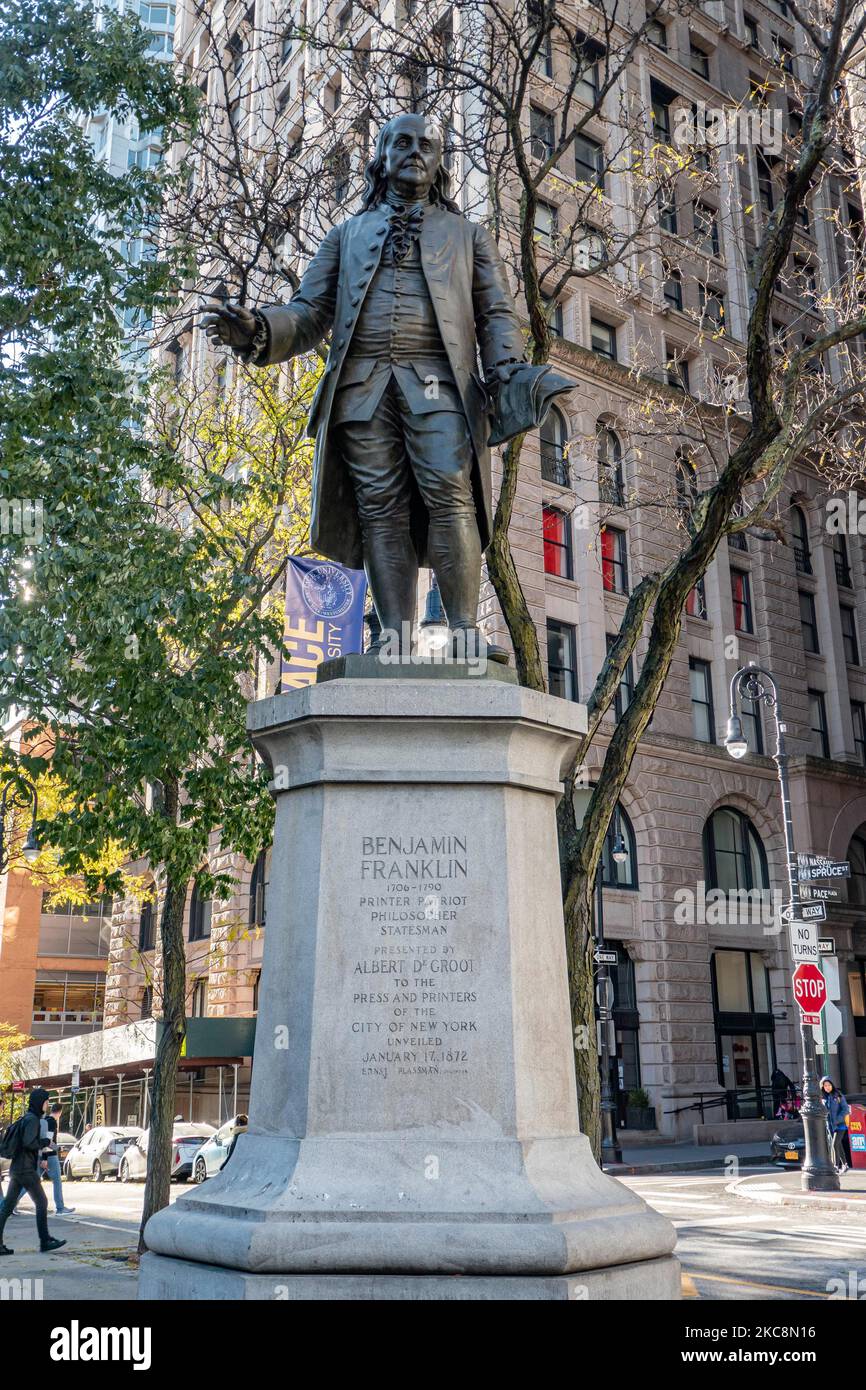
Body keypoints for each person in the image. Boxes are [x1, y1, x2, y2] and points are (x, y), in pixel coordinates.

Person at [202, 114, 568, 664]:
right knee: (380, 509)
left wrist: (509, 373)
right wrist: (257, 330)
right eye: (403, 142)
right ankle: (394, 637)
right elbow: (309, 312)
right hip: (362, 388)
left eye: (427, 144)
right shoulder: (346, 235)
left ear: (440, 160)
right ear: (382, 154)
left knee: (451, 493)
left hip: (440, 384)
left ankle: (464, 629)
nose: (415, 152)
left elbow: (495, 314)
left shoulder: (467, 236)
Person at [0, 1088, 67, 1255]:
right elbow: (29, 1142)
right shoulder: (33, 1120)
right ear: (39, 1102)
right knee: (42, 1202)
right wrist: (44, 1141)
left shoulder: (28, 1118)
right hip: (25, 1169)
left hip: (18, 1168)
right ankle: (45, 1241)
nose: (47, 1105)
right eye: (46, 1101)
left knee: (7, 1207)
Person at [42, 1103, 74, 1216]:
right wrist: (46, 1157)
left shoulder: (45, 1119)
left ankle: (11, 1204)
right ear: (59, 1112)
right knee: (57, 1182)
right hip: (50, 1155)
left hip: (41, 1154)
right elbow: (48, 1140)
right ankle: (60, 1208)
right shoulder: (52, 1122)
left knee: (31, 1182)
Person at [821, 1075, 851, 1173]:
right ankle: (845, 1165)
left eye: (829, 1085)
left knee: (834, 1145)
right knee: (838, 1145)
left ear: (832, 1085)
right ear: (822, 1087)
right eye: (825, 1086)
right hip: (830, 1126)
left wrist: (837, 1119)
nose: (827, 1087)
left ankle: (836, 1167)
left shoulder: (838, 1095)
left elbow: (846, 1109)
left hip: (840, 1125)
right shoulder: (823, 1098)